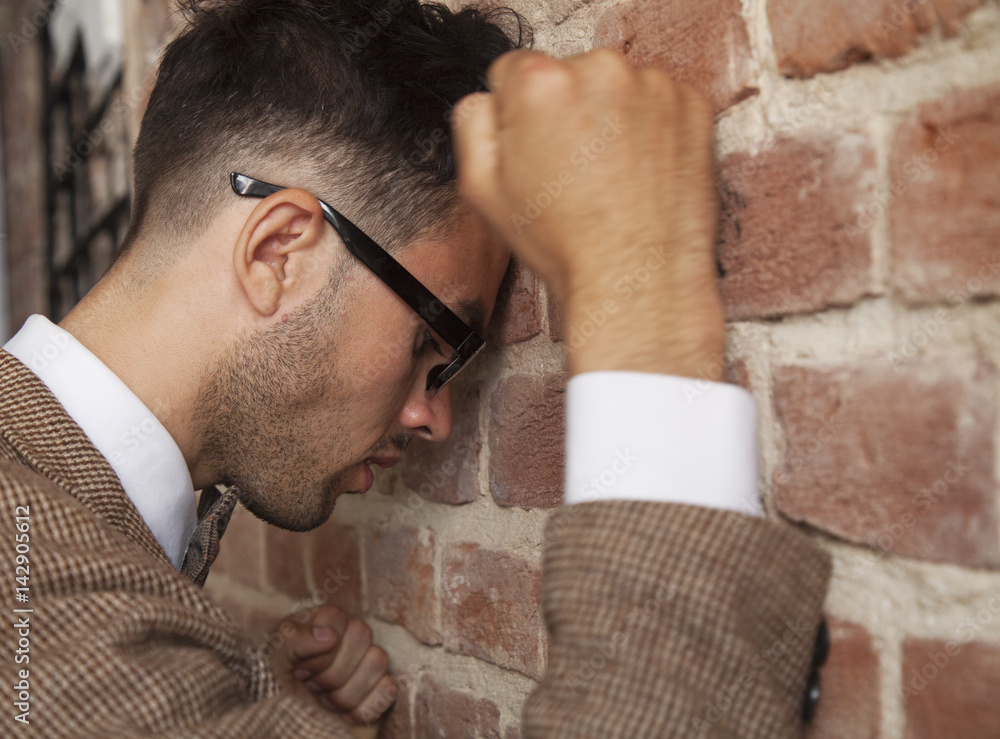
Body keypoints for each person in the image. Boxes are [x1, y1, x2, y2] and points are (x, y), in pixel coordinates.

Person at [0, 0, 831, 736]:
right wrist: (645, 321)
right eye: (434, 338)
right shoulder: (46, 598)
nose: (433, 417)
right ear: (280, 252)